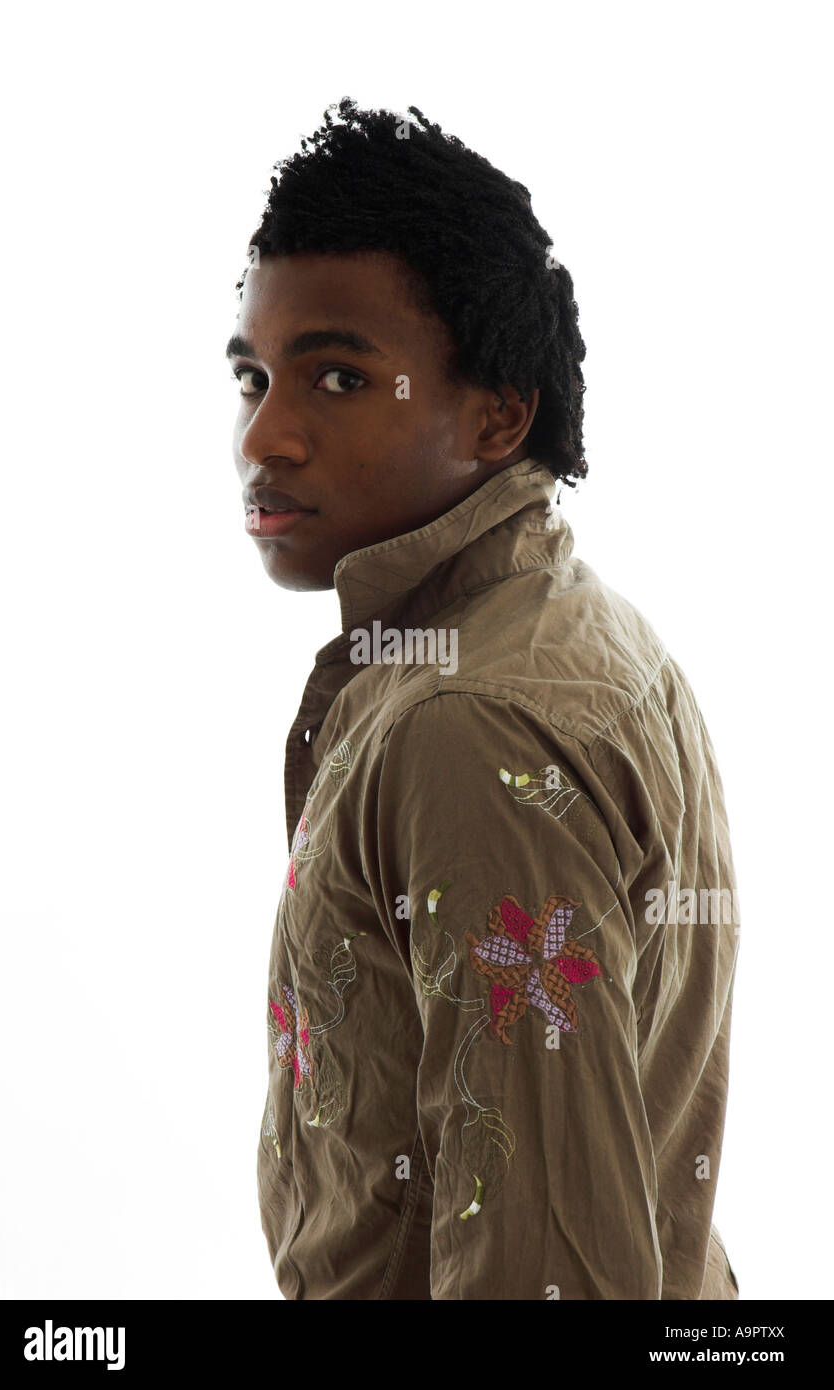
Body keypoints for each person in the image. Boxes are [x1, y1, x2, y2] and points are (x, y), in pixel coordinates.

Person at [225, 96, 741, 1300]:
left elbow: (543, 1268)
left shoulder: (469, 726)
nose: (266, 436)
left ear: (498, 412)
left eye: (339, 376)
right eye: (251, 375)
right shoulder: (545, 625)